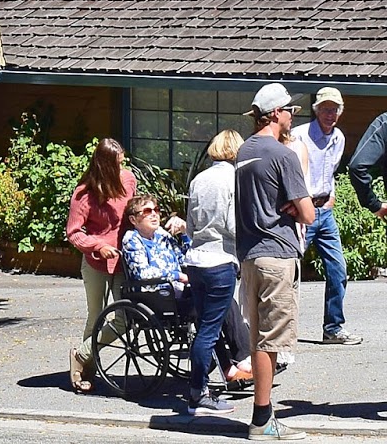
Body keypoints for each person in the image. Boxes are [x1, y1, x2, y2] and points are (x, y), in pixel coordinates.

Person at [236, 83, 316, 441]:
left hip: (251, 256)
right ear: (274, 115)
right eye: (289, 112)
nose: (292, 118)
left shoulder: (244, 151)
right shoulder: (283, 155)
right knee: (270, 343)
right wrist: (296, 206)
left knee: (257, 339)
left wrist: (287, 204)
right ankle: (262, 420)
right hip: (277, 255)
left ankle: (261, 418)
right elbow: (310, 214)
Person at [182, 129, 254, 417]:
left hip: (196, 259)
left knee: (204, 329)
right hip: (219, 259)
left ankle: (204, 386)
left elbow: (189, 225)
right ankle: (197, 394)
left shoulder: (200, 179)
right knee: (208, 333)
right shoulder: (233, 180)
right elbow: (232, 225)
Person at [65, 137, 136, 392]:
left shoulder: (128, 181)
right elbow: (74, 232)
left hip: (123, 260)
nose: (121, 168)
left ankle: (81, 355)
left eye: (122, 162)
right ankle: (86, 372)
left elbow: (133, 215)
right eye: (116, 164)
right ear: (104, 165)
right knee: (95, 316)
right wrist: (97, 246)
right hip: (96, 264)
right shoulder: (84, 193)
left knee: (125, 318)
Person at [301, 87, 360, 344]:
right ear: (316, 110)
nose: (329, 114)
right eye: (325, 108)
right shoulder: (299, 136)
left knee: (338, 269)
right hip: (302, 212)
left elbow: (330, 171)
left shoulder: (339, 137)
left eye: (334, 109)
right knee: (285, 271)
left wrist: (332, 193)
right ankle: (274, 330)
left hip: (325, 212)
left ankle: (333, 328)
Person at [121, 194, 187, 296]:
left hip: (177, 289)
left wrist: (185, 233)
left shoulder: (162, 235)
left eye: (156, 210)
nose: (154, 214)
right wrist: (178, 276)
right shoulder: (132, 239)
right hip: (155, 294)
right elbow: (143, 273)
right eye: (147, 211)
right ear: (133, 219)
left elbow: (185, 260)